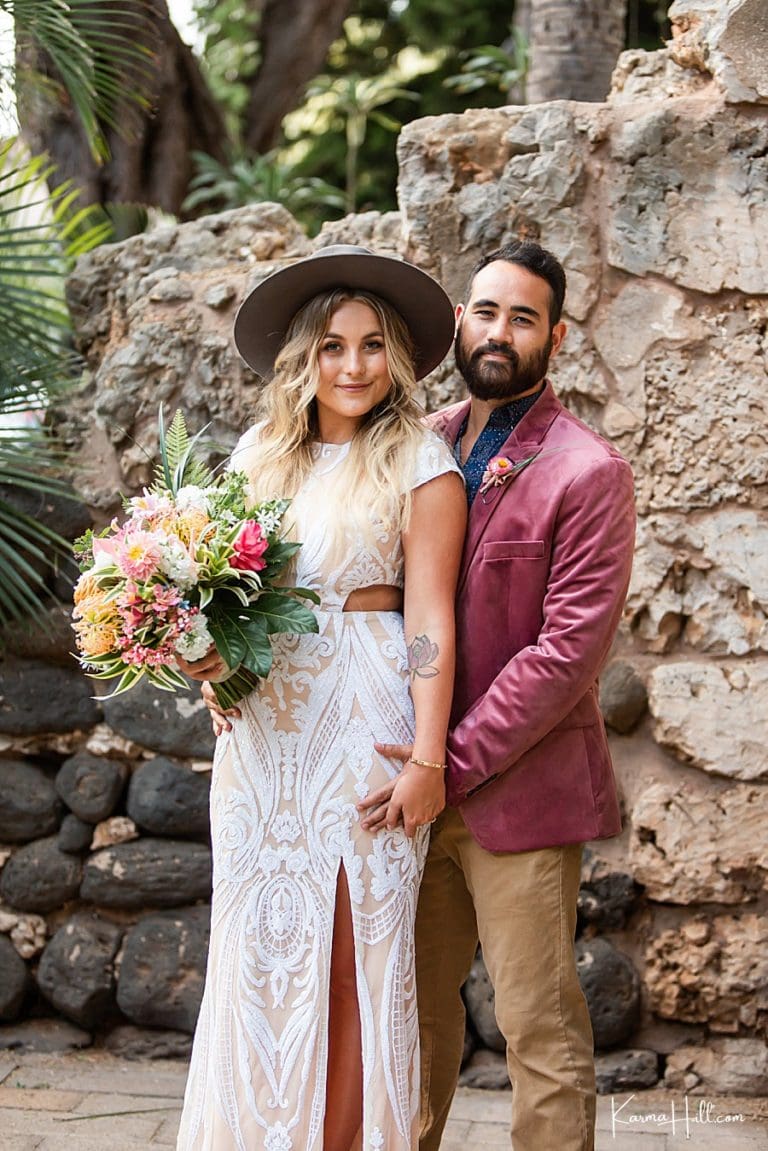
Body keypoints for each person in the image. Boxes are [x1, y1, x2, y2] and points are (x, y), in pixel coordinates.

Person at [175, 244, 467, 1151]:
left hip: (364, 714)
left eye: (373, 345)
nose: (353, 365)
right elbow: (220, 592)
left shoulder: (422, 461)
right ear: (304, 356)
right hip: (264, 730)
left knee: (351, 950)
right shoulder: (257, 455)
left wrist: (428, 757)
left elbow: (430, 616)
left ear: (398, 358)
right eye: (333, 345)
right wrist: (212, 664)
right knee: (257, 950)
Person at [357, 240, 637, 1151]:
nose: (499, 332)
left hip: (518, 793)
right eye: (485, 311)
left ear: (556, 336)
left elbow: (566, 655)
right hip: (409, 788)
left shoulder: (589, 471)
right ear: (458, 321)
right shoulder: (416, 444)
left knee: (537, 1026)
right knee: (410, 1019)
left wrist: (448, 759)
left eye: (523, 317)